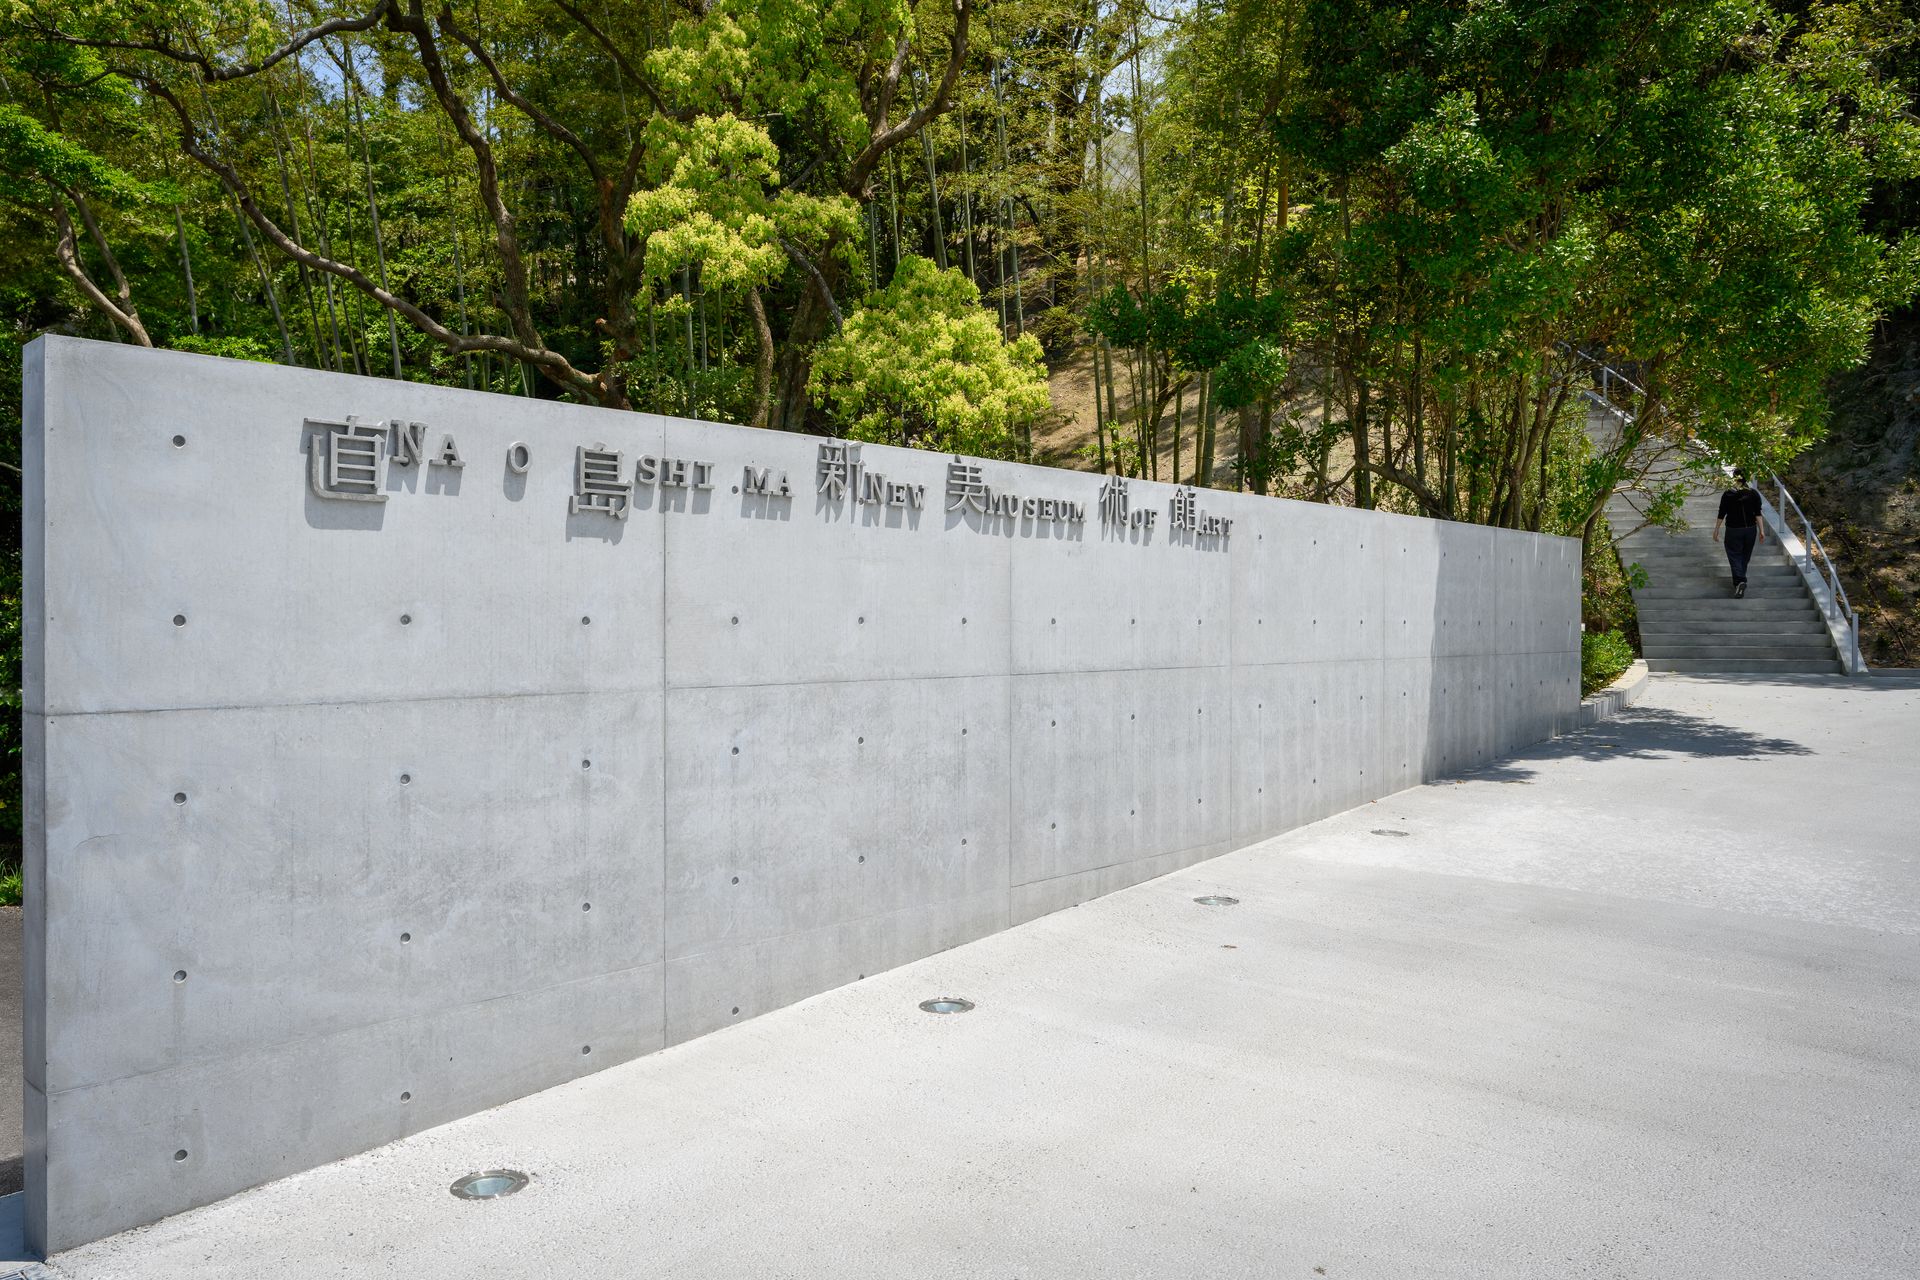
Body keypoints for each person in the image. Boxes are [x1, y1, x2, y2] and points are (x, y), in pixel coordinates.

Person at [1712, 469, 1766, 598]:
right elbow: (1758, 513)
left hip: (1733, 530)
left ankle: (1740, 581)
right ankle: (1740, 582)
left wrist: (1716, 529)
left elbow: (1722, 513)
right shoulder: (1753, 493)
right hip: (1750, 529)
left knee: (1734, 555)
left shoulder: (1728, 494)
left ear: (1734, 478)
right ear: (1746, 478)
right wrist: (1762, 530)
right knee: (1745, 556)